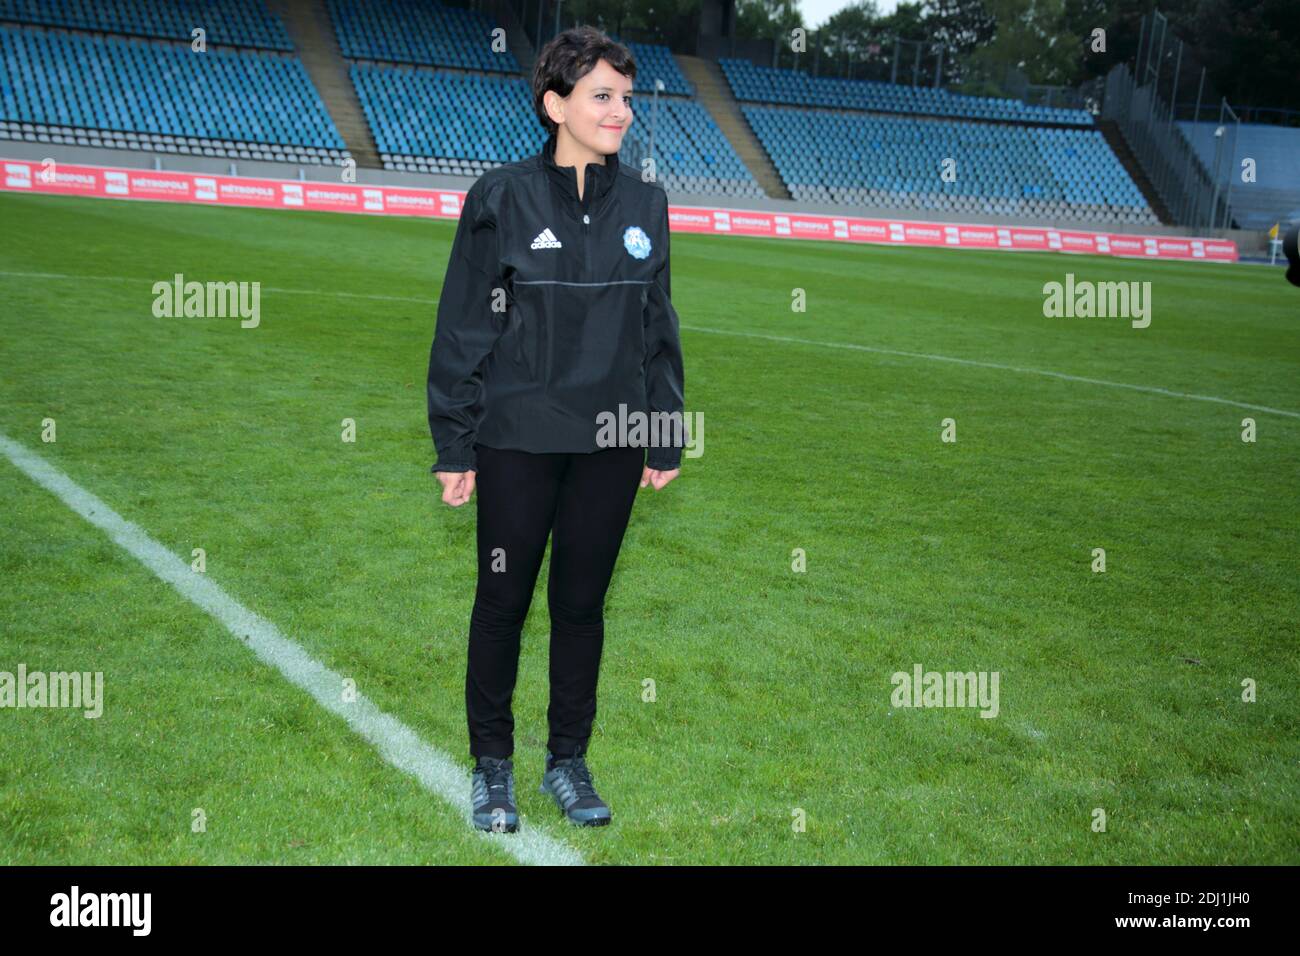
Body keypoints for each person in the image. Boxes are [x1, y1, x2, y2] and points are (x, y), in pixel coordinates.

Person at [426, 26, 686, 832]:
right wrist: (454, 442)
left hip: (611, 439)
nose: (621, 113)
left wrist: (666, 432)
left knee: (581, 605)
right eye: (602, 97)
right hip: (517, 435)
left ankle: (567, 763)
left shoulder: (647, 203)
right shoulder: (500, 197)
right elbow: (463, 326)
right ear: (555, 104)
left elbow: (658, 324)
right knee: (502, 601)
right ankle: (493, 770)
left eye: (627, 99)